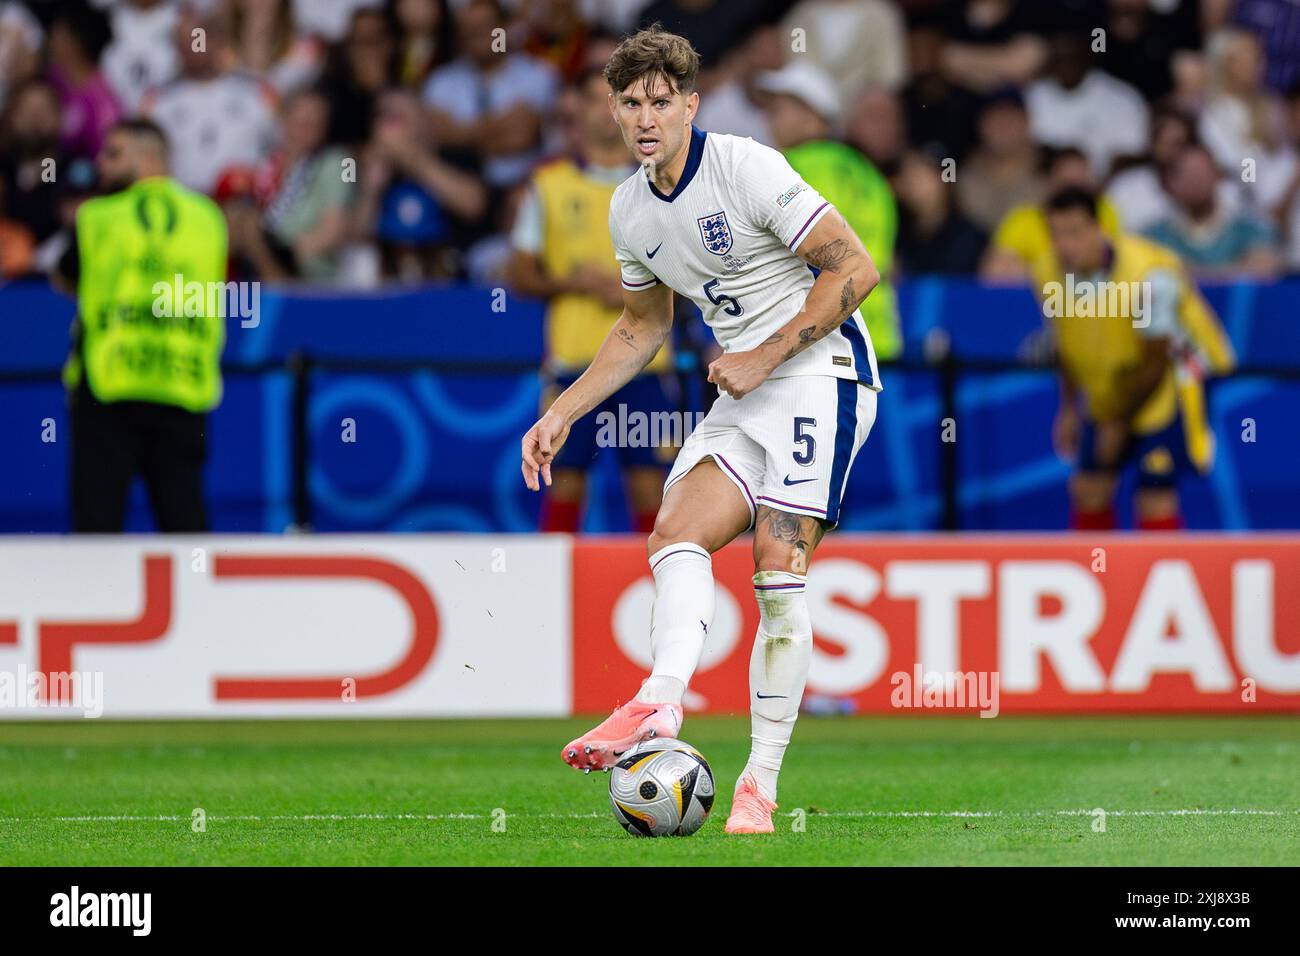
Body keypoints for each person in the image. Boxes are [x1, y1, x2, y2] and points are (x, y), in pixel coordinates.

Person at [519, 27, 882, 833]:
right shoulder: (628, 208)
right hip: (745, 387)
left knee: (775, 570)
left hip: (822, 376)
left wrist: (764, 352)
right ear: (612, 110)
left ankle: (760, 782)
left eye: (660, 101)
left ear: (690, 104)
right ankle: (659, 704)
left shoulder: (744, 165)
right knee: (673, 533)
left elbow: (854, 267)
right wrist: (561, 413)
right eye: (629, 102)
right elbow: (639, 327)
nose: (645, 117)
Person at [508, 67, 674, 533]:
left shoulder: (662, 180)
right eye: (594, 99)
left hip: (649, 364)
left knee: (653, 485)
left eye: (618, 101)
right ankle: (550, 596)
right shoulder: (549, 184)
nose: (606, 111)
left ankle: (657, 592)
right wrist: (574, 284)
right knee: (562, 480)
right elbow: (519, 273)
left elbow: (694, 270)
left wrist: (631, 290)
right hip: (573, 363)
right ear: (576, 110)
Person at [55, 119, 228, 532]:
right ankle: (197, 598)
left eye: (114, 154)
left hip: (109, 384)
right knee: (184, 523)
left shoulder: (98, 216)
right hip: (182, 384)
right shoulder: (208, 217)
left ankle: (99, 600)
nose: (102, 164)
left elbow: (65, 278)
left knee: (97, 526)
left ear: (150, 159)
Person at [1038, 188, 1235, 531]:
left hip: (1172, 382)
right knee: (1089, 489)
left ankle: (1167, 578)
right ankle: (1100, 576)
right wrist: (1069, 407)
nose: (1065, 245)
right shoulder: (1047, 272)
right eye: (1056, 233)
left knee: (1154, 495)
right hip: (1113, 387)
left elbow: (1156, 359)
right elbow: (1066, 340)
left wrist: (1116, 422)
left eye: (1075, 232)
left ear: (1099, 228)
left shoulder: (1149, 275)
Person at [756, 59, 900, 360]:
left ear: (812, 114)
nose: (770, 121)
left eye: (779, 110)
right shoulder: (870, 173)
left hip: (823, 336)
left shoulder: (788, 166)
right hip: (880, 334)